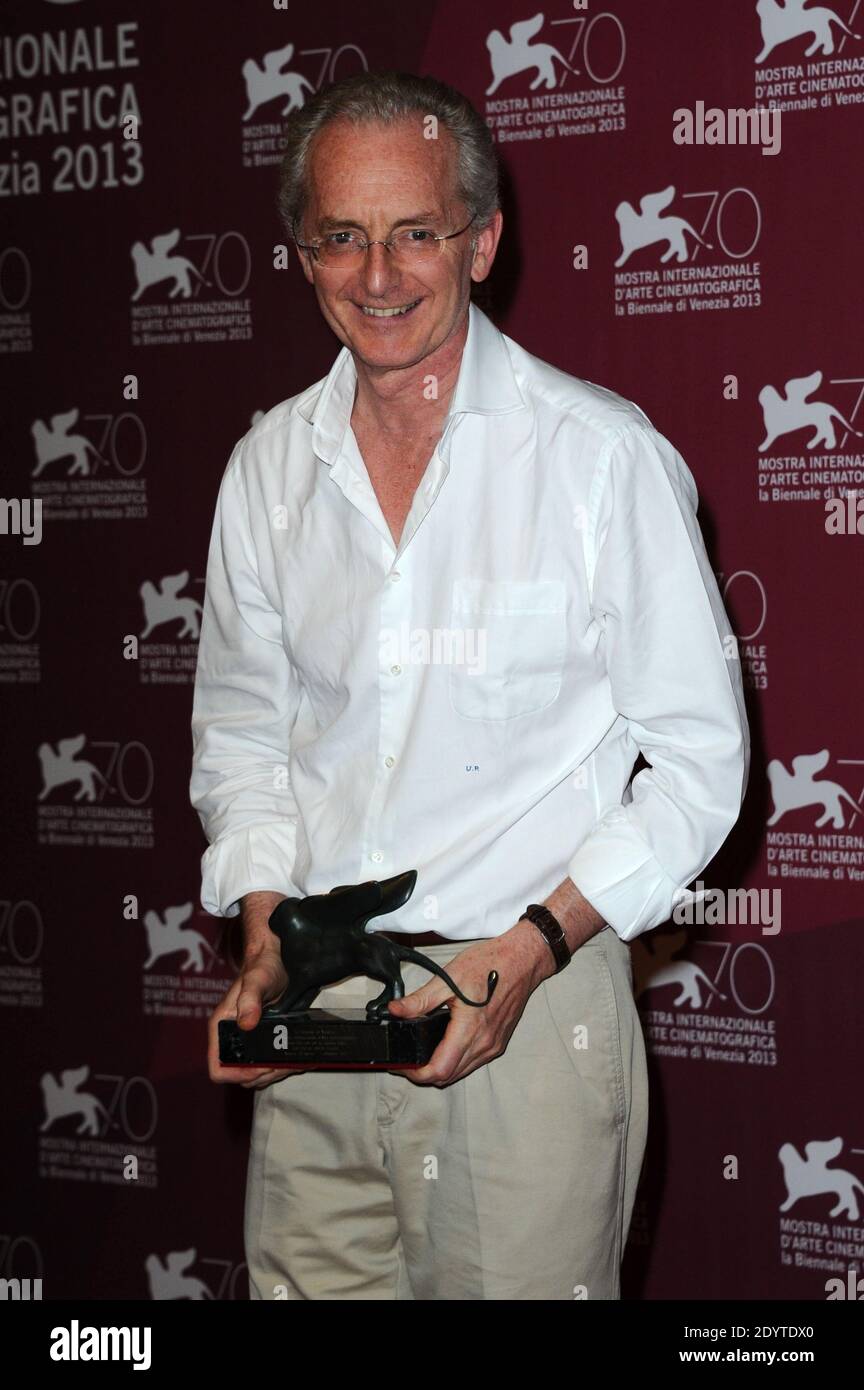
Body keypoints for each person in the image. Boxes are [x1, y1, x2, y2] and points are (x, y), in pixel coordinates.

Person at [189, 70, 750, 1301]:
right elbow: (244, 735)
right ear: (302, 254)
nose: (378, 274)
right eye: (343, 235)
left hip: (531, 1012)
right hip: (322, 1012)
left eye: (415, 232)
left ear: (481, 241)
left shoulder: (600, 461)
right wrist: (265, 929)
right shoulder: (265, 471)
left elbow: (702, 765)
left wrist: (537, 946)